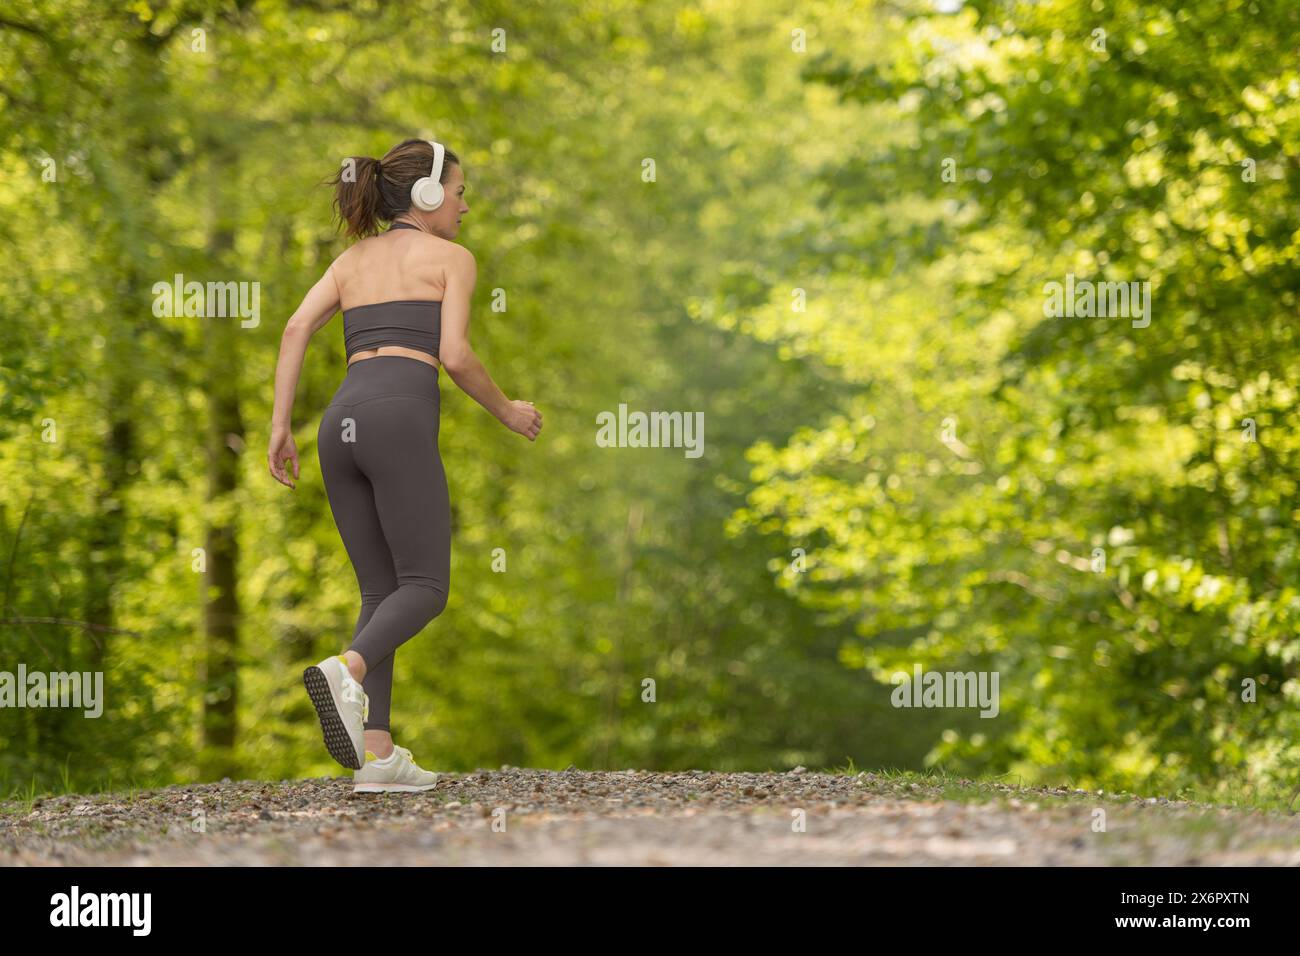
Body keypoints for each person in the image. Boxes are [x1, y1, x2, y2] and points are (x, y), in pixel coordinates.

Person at [267, 138, 542, 792]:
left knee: (380, 590)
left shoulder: (351, 261)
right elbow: (454, 355)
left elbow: (294, 329)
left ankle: (378, 756)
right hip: (397, 415)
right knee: (426, 586)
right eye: (460, 192)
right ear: (427, 195)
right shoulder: (451, 258)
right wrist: (508, 412)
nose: (466, 208)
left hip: (340, 423)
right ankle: (347, 668)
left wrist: (281, 425)